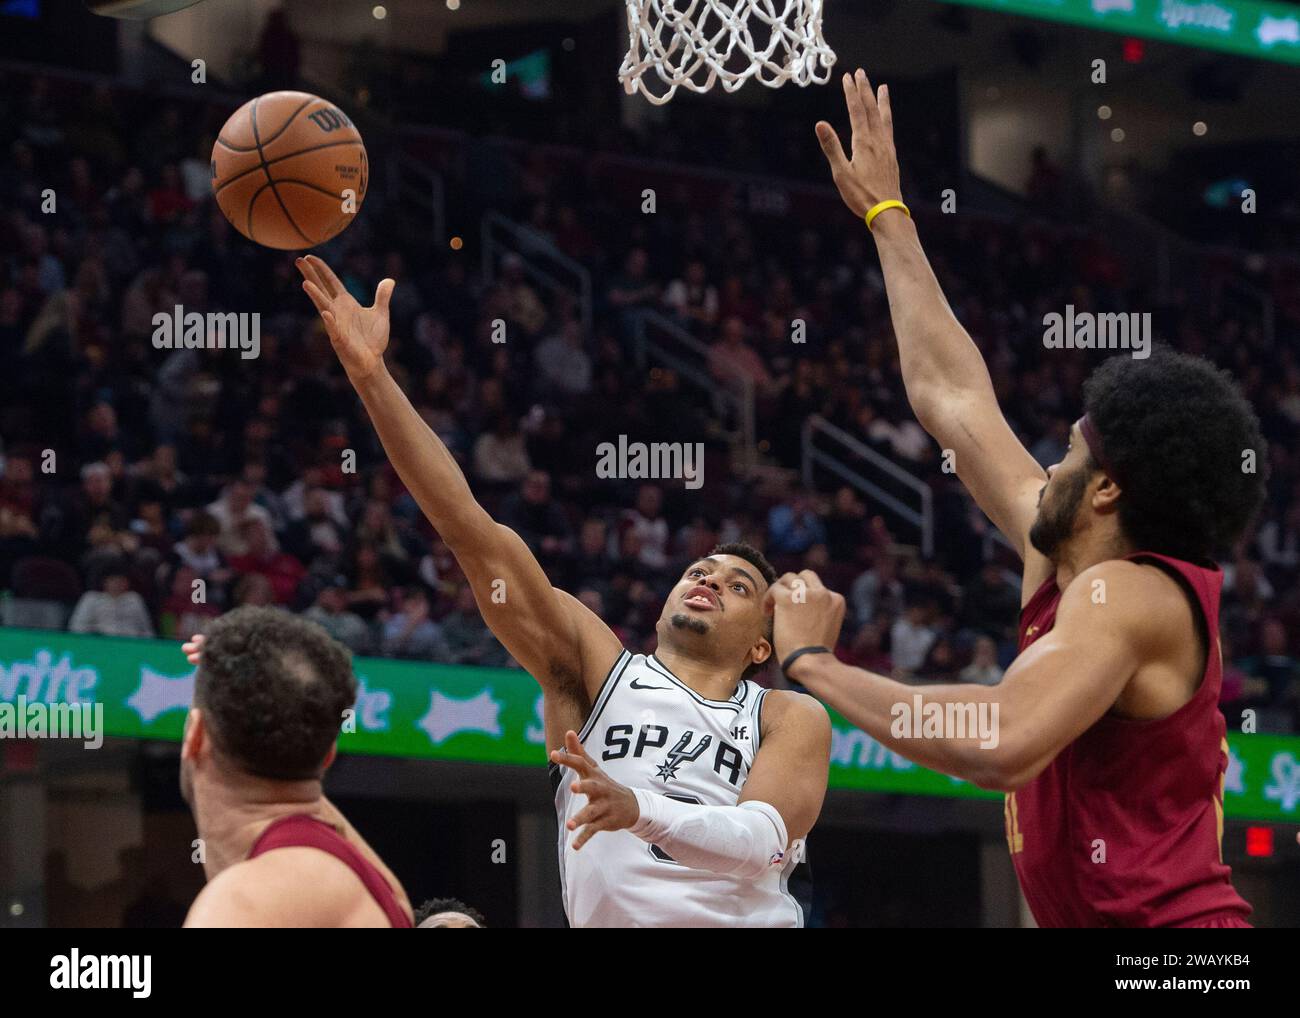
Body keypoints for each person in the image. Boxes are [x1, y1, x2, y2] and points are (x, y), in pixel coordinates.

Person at [773, 69, 1267, 928]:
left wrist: (816, 667)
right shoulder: (1068, 553)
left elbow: (1002, 741)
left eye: (1071, 450)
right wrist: (889, 220)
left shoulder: (1136, 595)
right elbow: (953, 400)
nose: (1050, 462)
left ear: (1107, 490)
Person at [295, 254, 829, 928]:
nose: (708, 581)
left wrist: (640, 810)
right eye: (699, 570)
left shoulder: (785, 716)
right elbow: (471, 532)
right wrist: (374, 379)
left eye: (737, 584)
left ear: (761, 641)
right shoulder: (595, 668)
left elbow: (760, 844)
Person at [179, 609, 412, 927]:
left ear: (196, 735)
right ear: (328, 756)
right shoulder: (383, 888)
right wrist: (265, 676)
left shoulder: (240, 905)